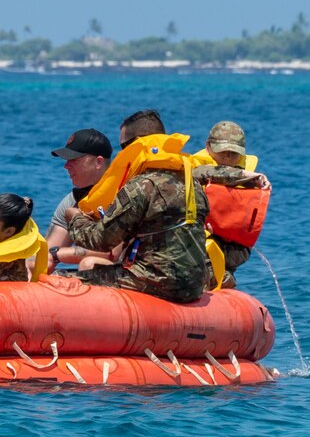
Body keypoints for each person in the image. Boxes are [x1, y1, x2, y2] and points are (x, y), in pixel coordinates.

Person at [64, 109, 210, 303]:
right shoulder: (193, 183)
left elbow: (101, 240)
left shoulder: (140, 186)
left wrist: (75, 218)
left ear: (136, 145)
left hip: (155, 281)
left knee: (61, 281)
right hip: (195, 284)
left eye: (124, 146)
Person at [192, 121, 270, 289]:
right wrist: (245, 175)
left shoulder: (248, 185)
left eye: (233, 153)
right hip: (193, 251)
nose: (227, 157)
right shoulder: (194, 169)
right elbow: (208, 172)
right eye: (222, 151)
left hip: (227, 255)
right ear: (208, 146)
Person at [41, 128, 113, 275]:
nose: (66, 166)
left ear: (98, 162)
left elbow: (116, 253)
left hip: (131, 275)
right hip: (93, 276)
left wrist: (58, 254)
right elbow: (47, 254)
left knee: (90, 264)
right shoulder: (72, 201)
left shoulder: (125, 196)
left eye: (73, 160)